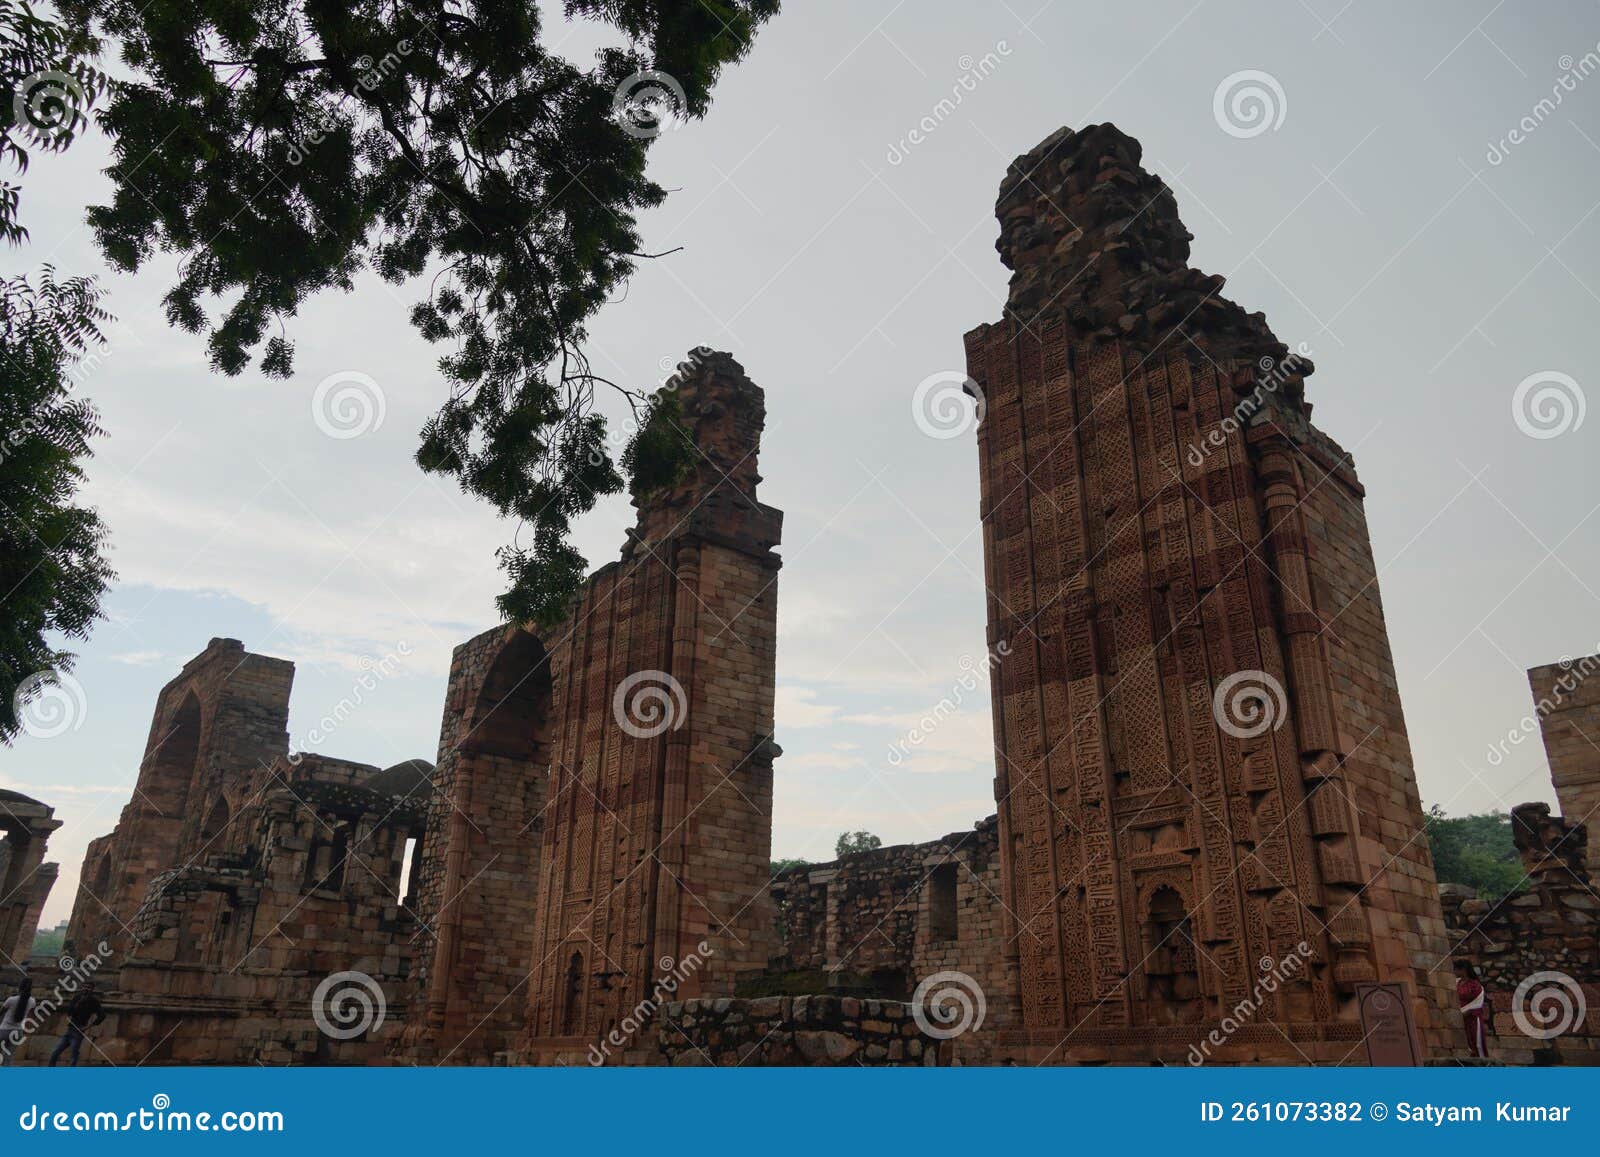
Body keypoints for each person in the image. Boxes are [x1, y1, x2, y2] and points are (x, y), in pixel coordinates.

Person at [48, 983, 105, 1067]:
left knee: (74, 1053)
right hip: (70, 1029)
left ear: (92, 990)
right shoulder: (77, 998)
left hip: (79, 1030)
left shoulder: (94, 1001)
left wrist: (88, 1027)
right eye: (84, 987)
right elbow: (69, 1012)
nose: (86, 989)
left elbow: (102, 1015)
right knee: (56, 1051)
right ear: (81, 988)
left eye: (88, 988)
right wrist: (77, 1004)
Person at [1456, 961, 1490, 1058]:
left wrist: (1465, 1012)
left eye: (1457, 969)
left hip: (1473, 1018)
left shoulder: (1475, 985)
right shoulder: (1456, 983)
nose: (1454, 971)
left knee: (1476, 1043)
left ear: (1463, 970)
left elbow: (1478, 1003)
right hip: (1460, 1019)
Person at [0, 978, 36, 1065]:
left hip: (4, 1030)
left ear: (19, 987)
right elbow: (32, 1015)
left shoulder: (11, 999)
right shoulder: (32, 1001)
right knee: (8, 1057)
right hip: (18, 1031)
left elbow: (1, 1012)